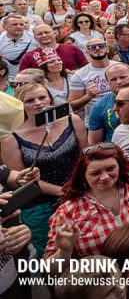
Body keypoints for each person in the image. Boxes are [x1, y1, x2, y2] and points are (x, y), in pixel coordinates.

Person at [0, 82, 87, 256]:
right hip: (40, 206)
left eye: (42, 97)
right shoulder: (11, 138)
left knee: (84, 245)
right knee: (51, 254)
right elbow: (22, 181)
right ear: (20, 105)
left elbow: (86, 156)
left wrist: (78, 188)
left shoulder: (72, 120)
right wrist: (63, 192)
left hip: (79, 194)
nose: (38, 103)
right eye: (29, 100)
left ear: (50, 98)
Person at [44, 143, 129, 260]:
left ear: (119, 165)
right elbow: (49, 271)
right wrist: (65, 251)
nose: (105, 176)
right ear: (83, 175)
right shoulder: (68, 211)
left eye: (111, 168)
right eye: (96, 173)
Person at [86, 63, 129, 143]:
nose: (118, 81)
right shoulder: (99, 107)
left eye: (123, 77)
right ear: (107, 82)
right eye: (113, 79)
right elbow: (94, 144)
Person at [19, 24, 86, 72]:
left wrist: (74, 73)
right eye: (40, 34)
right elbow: (22, 76)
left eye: (47, 32)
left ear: (54, 33)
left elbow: (86, 68)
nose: (44, 35)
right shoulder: (29, 56)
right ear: (34, 37)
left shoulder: (72, 49)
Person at [0, 14, 38, 78]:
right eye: (14, 24)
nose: (19, 27)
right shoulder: (1, 40)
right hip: (10, 79)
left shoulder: (35, 38)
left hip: (33, 77)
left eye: (21, 24)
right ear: (4, 27)